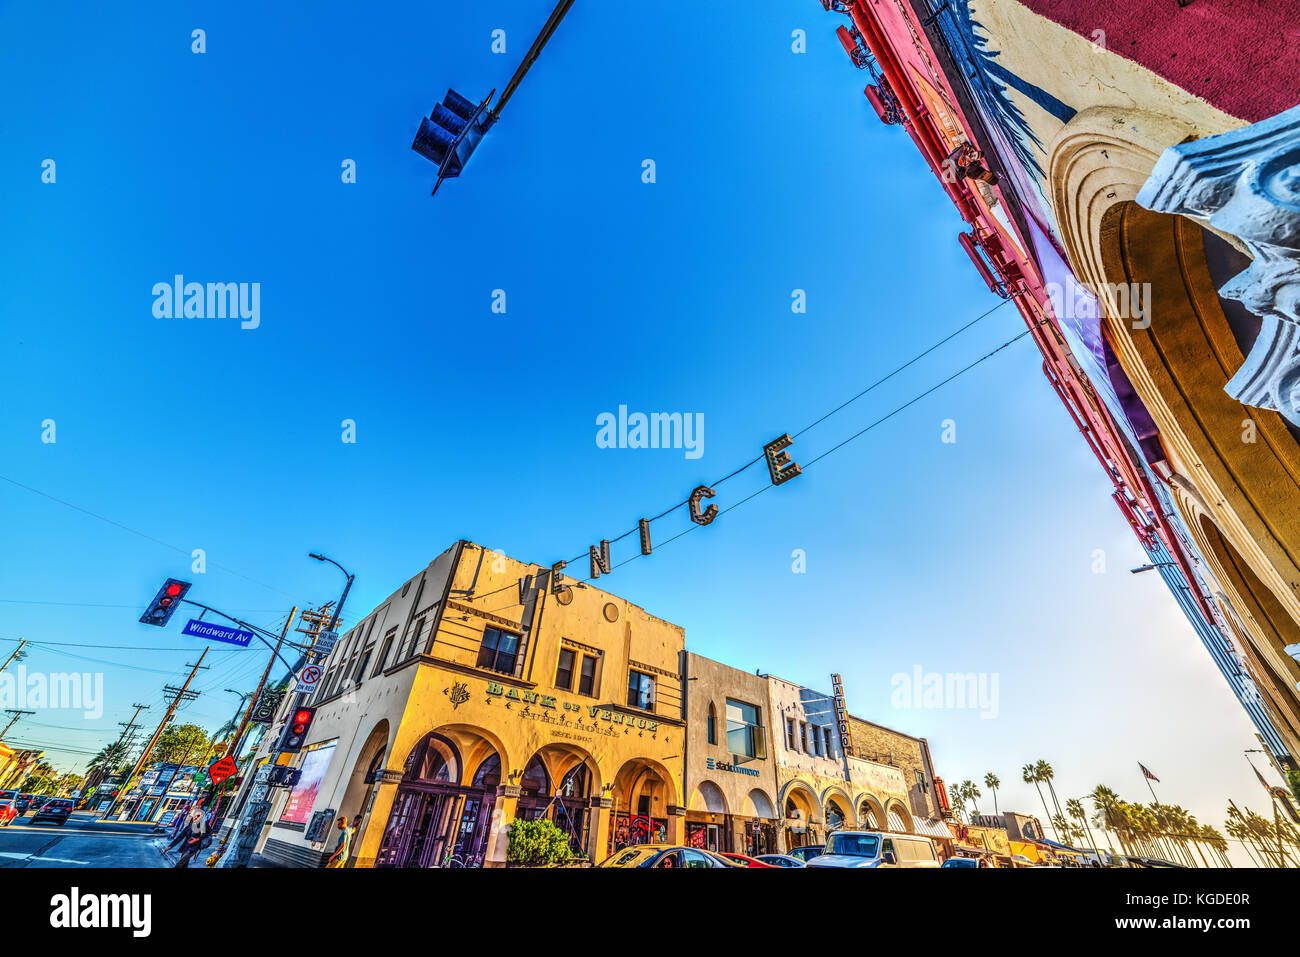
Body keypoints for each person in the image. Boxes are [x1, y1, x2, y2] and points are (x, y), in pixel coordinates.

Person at [173, 799, 210, 869]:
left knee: (179, 864)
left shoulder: (204, 824)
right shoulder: (190, 825)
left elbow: (207, 833)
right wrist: (170, 847)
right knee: (184, 864)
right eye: (195, 816)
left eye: (198, 816)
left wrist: (197, 839)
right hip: (186, 847)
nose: (195, 817)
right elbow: (181, 836)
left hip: (194, 848)